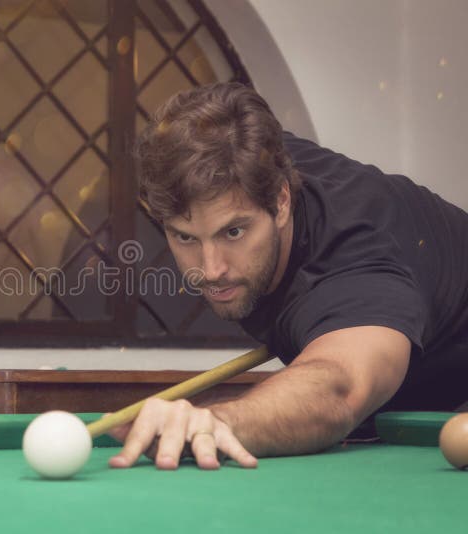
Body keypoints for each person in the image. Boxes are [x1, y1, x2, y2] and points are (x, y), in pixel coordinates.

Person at [108, 82, 468, 471]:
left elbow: (338, 387)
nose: (210, 269)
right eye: (185, 237)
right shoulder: (249, 163)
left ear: (281, 202)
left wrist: (218, 421)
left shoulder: (359, 261)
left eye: (233, 232)